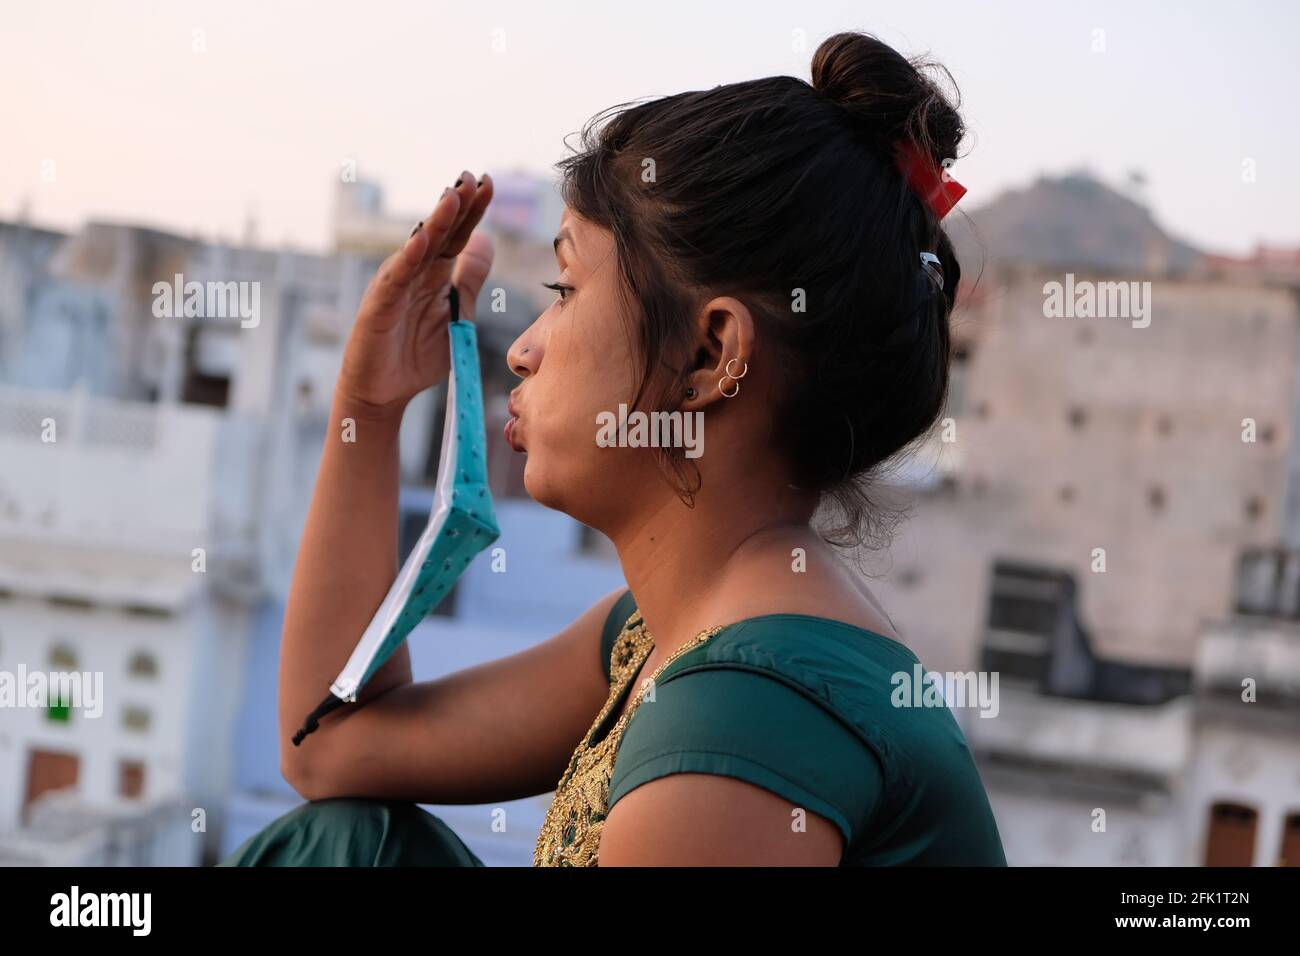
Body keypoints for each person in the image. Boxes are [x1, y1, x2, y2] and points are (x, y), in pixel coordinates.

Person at [222, 30, 1006, 867]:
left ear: (709, 357)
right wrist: (367, 408)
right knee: (345, 848)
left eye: (564, 291)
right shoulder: (661, 638)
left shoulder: (748, 713)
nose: (523, 348)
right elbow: (329, 747)